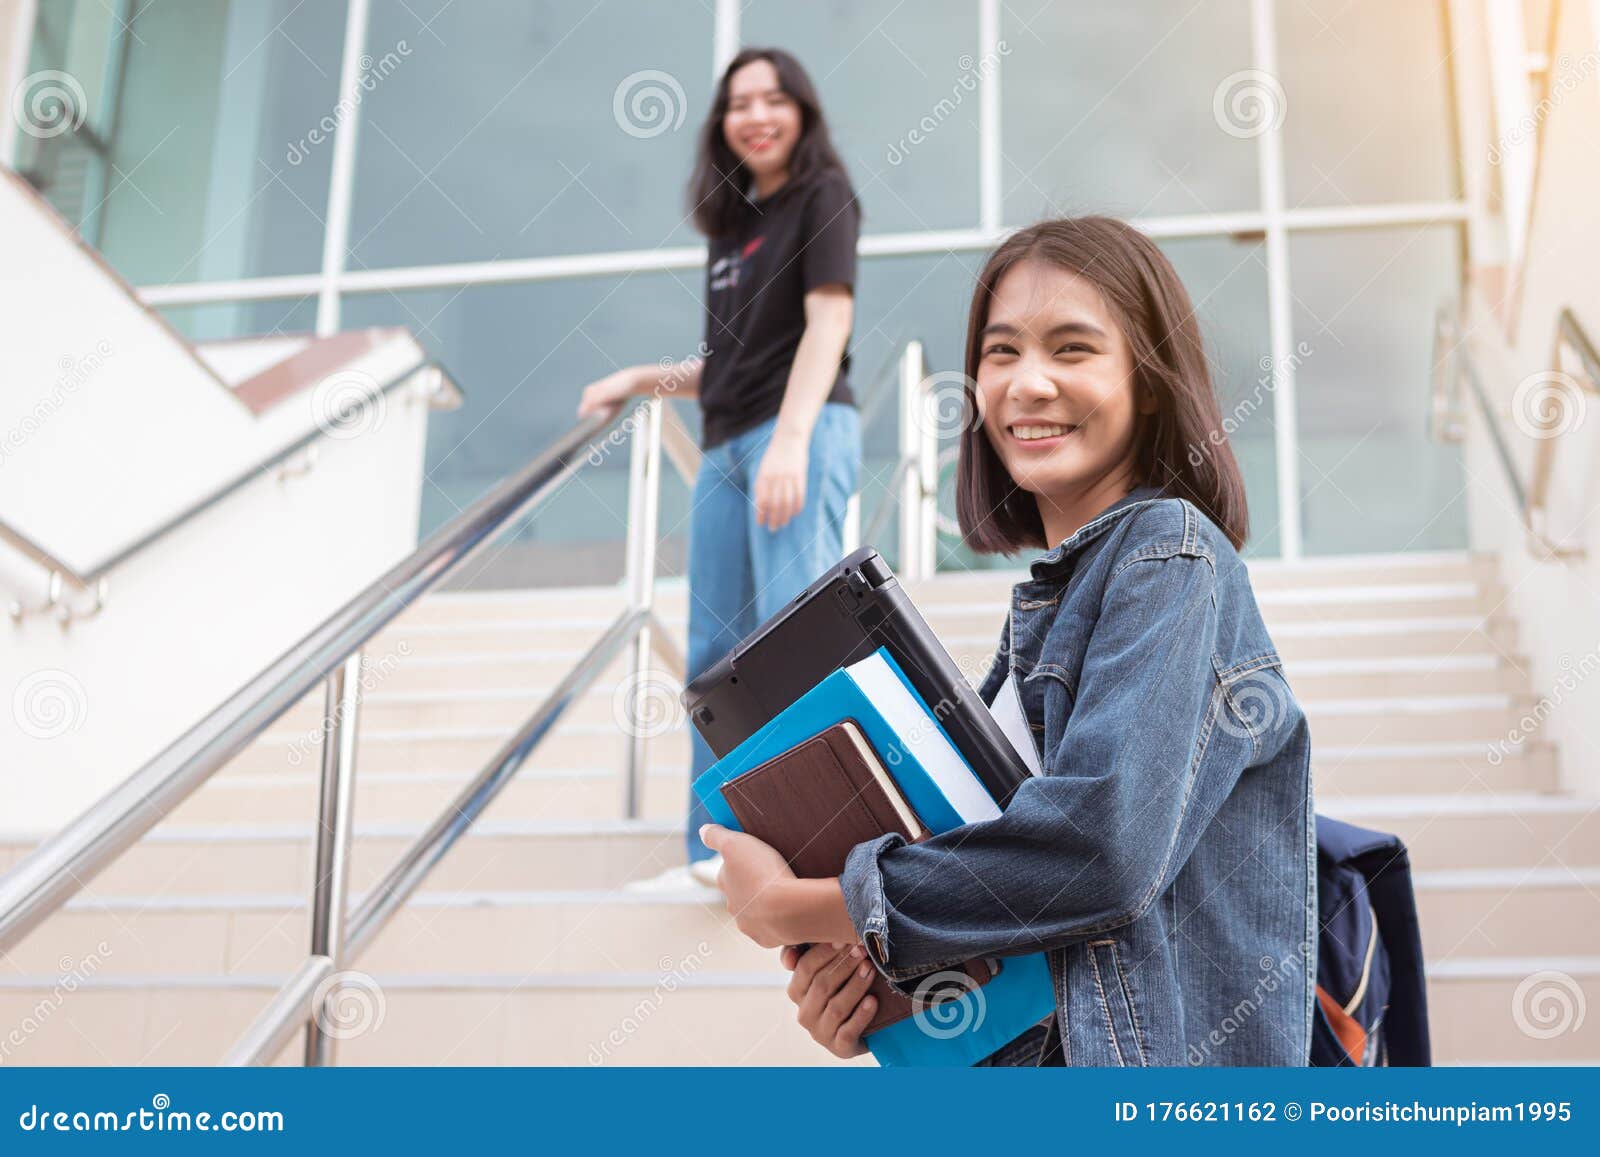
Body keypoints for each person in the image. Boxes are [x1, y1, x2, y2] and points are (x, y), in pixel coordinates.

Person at [699, 217, 1316, 1065]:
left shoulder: (1170, 554)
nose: (1028, 384)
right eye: (1000, 353)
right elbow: (1028, 910)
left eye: (1073, 349)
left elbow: (1098, 852)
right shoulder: (1035, 632)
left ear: (1150, 381)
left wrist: (795, 906)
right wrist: (867, 989)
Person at [578, 48, 862, 893]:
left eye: (775, 99)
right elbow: (730, 366)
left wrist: (792, 440)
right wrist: (639, 380)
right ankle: (714, 849)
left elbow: (827, 324)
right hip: (728, 441)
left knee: (788, 639)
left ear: (802, 112)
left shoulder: (823, 198)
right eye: (739, 103)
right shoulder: (732, 231)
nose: (757, 115)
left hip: (796, 433)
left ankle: (815, 846)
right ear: (722, 125)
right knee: (713, 651)